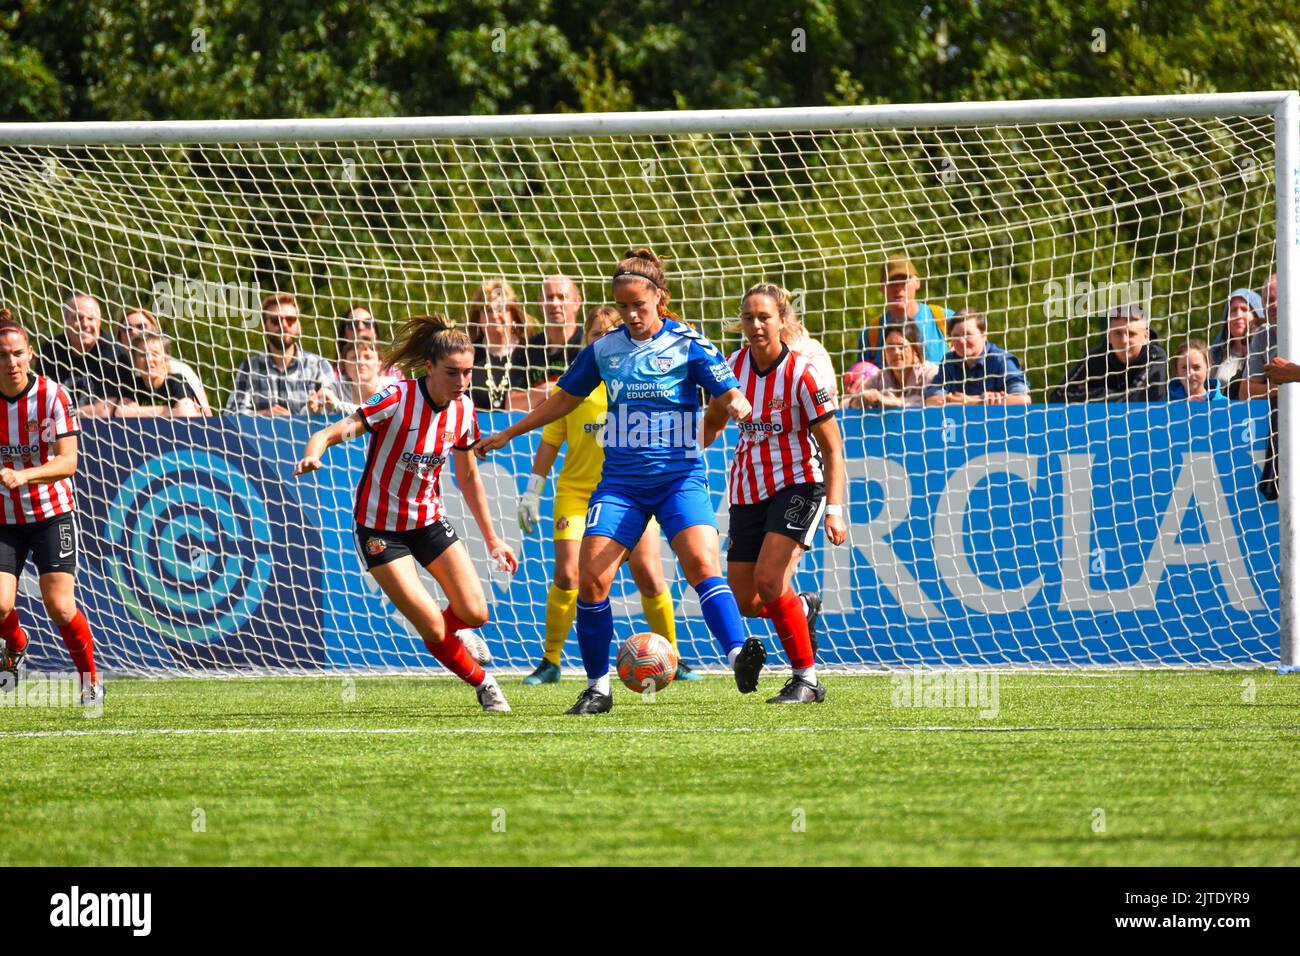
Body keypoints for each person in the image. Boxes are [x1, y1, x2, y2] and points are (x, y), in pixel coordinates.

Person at [476, 248, 760, 715]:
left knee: (701, 566)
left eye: (639, 306)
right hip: (622, 485)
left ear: (660, 298)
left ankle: (738, 657)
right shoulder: (604, 349)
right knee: (591, 580)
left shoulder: (691, 344)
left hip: (679, 479)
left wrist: (737, 403)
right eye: (622, 306)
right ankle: (598, 688)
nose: (630, 315)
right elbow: (563, 400)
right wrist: (509, 431)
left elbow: (727, 390)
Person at [293, 314, 517, 713]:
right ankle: (484, 685)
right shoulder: (395, 398)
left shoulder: (464, 409)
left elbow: (468, 478)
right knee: (430, 625)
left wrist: (492, 538)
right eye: (453, 372)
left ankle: (452, 636)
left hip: (428, 522)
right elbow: (330, 432)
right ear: (429, 368)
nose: (463, 381)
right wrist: (314, 453)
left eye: (468, 372)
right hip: (380, 530)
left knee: (475, 612)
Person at [516, 305, 699, 684]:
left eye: (608, 333)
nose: (601, 340)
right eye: (594, 334)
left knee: (648, 575)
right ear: (586, 340)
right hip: (576, 494)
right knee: (569, 575)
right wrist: (532, 491)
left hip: (627, 492)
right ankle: (550, 661)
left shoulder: (636, 380)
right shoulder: (572, 385)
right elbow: (551, 441)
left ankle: (672, 658)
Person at [701, 284, 848, 704]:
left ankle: (807, 679)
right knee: (748, 599)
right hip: (748, 489)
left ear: (782, 321)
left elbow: (833, 448)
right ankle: (799, 610)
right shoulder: (730, 368)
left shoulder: (803, 373)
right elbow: (712, 422)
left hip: (798, 483)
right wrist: (684, 452)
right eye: (748, 317)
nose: (755, 325)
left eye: (764, 317)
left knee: (770, 580)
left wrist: (835, 509)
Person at [0, 312, 103, 705]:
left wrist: (24, 476)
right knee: (0, 604)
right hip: (4, 519)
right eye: (3, 355)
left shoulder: (53, 395)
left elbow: (68, 462)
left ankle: (90, 682)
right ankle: (16, 640)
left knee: (60, 606)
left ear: (30, 355)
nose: (12, 362)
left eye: (18, 354)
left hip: (51, 512)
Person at [227, 293, 340, 415]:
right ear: (264, 326)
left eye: (290, 319)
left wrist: (311, 412)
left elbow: (336, 413)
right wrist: (265, 415)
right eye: (276, 320)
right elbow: (231, 415)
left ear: (298, 325)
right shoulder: (249, 367)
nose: (284, 325)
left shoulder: (319, 366)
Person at [38, 293, 134, 418]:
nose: (85, 324)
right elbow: (43, 402)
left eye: (91, 318)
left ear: (99, 322)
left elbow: (104, 410)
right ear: (66, 321)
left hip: (102, 430)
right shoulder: (50, 350)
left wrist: (64, 414)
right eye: (78, 317)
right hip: (58, 429)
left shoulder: (112, 352)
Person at [1049, 306, 1167, 403]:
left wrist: (1092, 395)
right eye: (1118, 333)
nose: (1124, 340)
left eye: (1131, 334)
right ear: (1109, 336)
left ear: (1146, 337)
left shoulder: (1155, 356)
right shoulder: (1095, 358)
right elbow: (1058, 396)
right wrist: (1102, 394)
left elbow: (1137, 400)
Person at [857, 255, 953, 370]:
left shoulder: (945, 319)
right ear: (882, 288)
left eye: (904, 280)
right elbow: (862, 377)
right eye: (891, 281)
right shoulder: (872, 332)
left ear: (917, 282)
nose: (898, 288)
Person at [925, 308, 1031, 406]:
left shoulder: (1001, 360)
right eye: (955, 336)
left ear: (984, 335)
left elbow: (1023, 399)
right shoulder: (949, 361)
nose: (961, 341)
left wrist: (975, 401)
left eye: (967, 334)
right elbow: (931, 400)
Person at [116, 308, 213, 415]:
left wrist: (139, 412)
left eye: (141, 326)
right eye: (126, 328)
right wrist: (169, 410)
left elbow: (193, 413)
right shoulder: (121, 374)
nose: (133, 332)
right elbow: (122, 413)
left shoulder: (178, 374)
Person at [466, 280, 538, 411]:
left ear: (513, 313)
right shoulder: (467, 354)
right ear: (478, 317)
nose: (494, 316)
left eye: (501, 309)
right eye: (487, 310)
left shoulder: (532, 352)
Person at [845, 321, 937, 409]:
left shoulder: (931, 373)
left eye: (901, 347)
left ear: (915, 350)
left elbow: (936, 401)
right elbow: (844, 404)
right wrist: (855, 400)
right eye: (890, 347)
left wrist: (889, 401)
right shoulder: (880, 378)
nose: (896, 352)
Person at [524, 275, 586, 389]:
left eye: (562, 297)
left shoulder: (589, 343)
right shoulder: (527, 348)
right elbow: (513, 402)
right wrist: (547, 389)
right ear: (540, 302)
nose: (555, 303)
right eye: (549, 297)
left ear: (577, 302)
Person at [1210, 288, 1265, 392]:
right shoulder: (1214, 356)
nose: (1238, 316)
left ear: (1257, 315)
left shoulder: (1268, 354)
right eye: (1233, 310)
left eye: (1244, 309)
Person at [335, 337, 401, 416]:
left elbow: (374, 415)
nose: (361, 362)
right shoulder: (337, 388)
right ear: (344, 364)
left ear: (379, 364)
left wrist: (337, 405)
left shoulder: (392, 387)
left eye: (367, 357)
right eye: (354, 357)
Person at [1239, 275, 1278, 400]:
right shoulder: (1262, 335)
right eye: (1269, 300)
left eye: (1281, 298)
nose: (1274, 305)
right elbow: (1245, 392)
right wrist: (1282, 388)